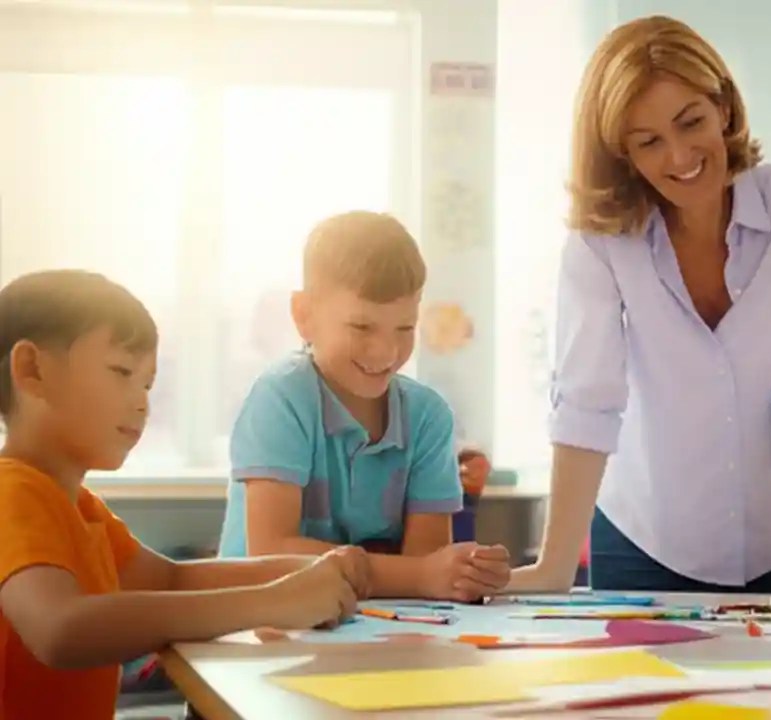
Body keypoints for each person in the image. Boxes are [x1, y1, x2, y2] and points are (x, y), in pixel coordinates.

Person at [507, 15, 771, 595]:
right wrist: (551, 568)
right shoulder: (601, 241)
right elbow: (586, 403)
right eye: (648, 142)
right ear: (622, 154)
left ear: (723, 106)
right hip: (648, 540)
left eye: (690, 122)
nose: (679, 156)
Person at [0, 270, 366, 720]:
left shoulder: (77, 505)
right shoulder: (12, 493)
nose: (142, 402)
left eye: (148, 384)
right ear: (32, 370)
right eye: (121, 372)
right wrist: (275, 602)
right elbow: (60, 629)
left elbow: (173, 580)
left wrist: (311, 569)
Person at [217, 211, 510, 601]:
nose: (386, 352)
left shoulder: (428, 417)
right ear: (304, 316)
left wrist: (465, 572)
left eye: (405, 328)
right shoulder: (281, 398)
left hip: (366, 626)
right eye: (362, 327)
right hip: (254, 624)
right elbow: (271, 552)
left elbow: (427, 567)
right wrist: (420, 574)